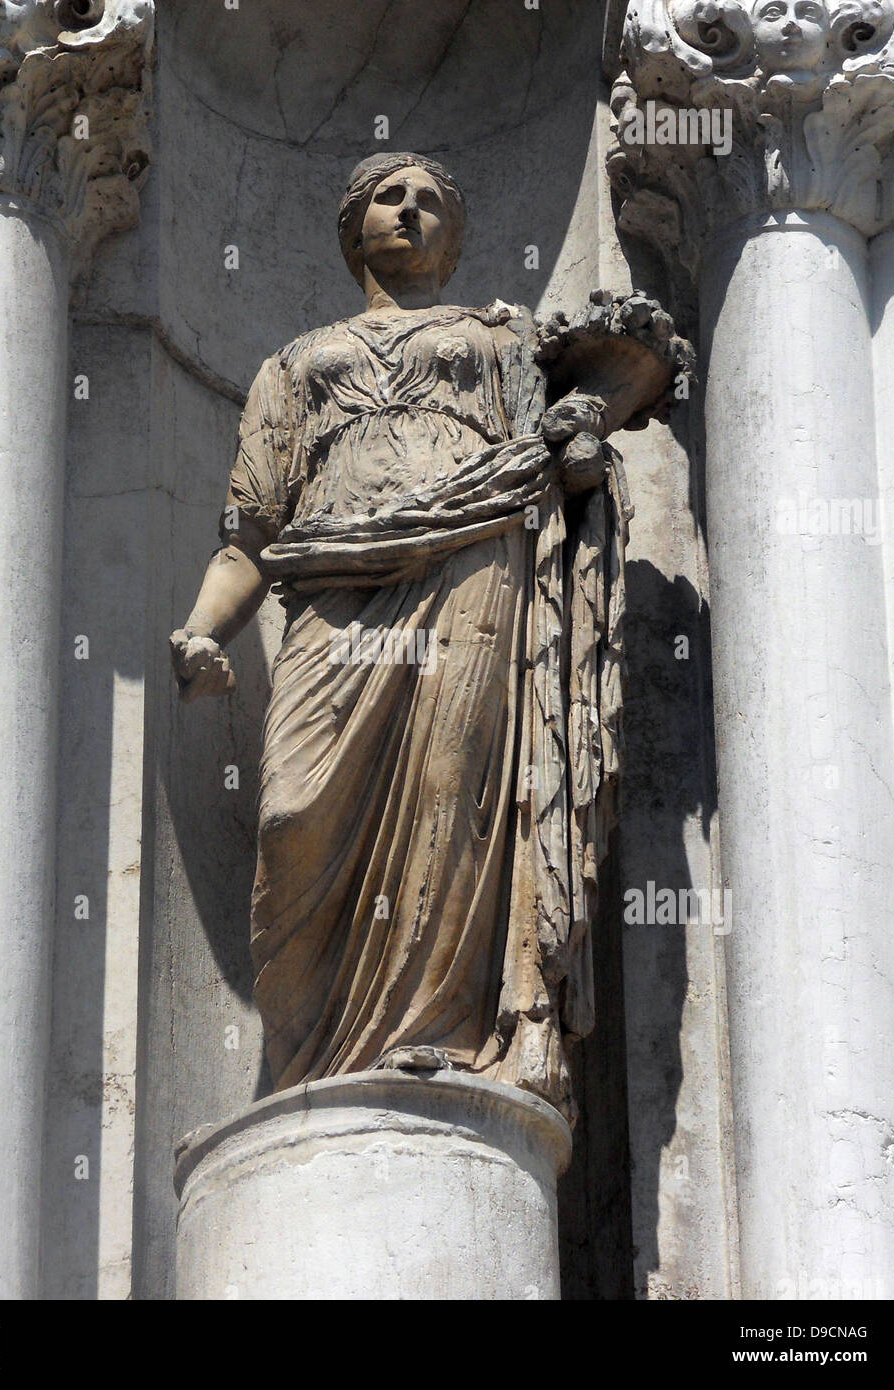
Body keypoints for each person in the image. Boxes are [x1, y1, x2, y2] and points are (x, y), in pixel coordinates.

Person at [170, 152, 631, 1125]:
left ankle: (437, 1032)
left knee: (448, 795)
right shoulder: (297, 365)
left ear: (455, 238)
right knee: (295, 815)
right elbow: (251, 533)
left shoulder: (497, 339)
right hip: (332, 586)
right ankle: (311, 1064)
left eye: (432, 202)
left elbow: (552, 465)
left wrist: (583, 446)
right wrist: (202, 630)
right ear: (352, 230)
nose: (412, 211)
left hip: (469, 572)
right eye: (390, 196)